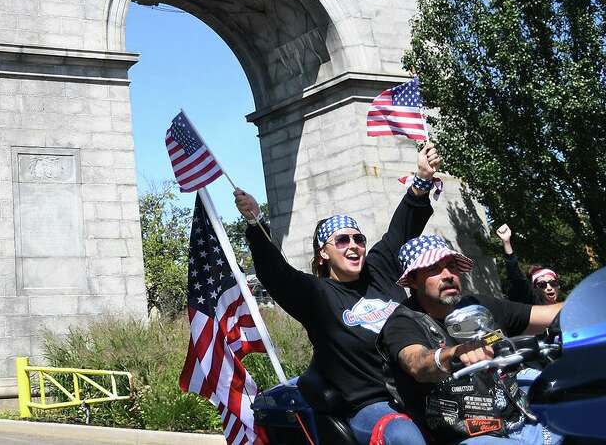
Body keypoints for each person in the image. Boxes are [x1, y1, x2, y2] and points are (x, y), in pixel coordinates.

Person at [234, 143, 444, 445]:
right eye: (342, 240)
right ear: (323, 254)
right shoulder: (316, 295)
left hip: (424, 387)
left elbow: (402, 227)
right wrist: (256, 222)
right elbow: (274, 273)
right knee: (405, 437)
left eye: (358, 238)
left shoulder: (380, 268)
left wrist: (423, 179)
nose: (353, 245)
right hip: (372, 404)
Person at [377, 235, 563, 444]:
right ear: (412, 280)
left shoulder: (478, 305)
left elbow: (544, 314)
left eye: (451, 266)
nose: (447, 275)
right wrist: (454, 354)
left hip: (521, 414)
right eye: (433, 269)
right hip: (470, 436)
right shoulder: (403, 322)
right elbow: (418, 362)